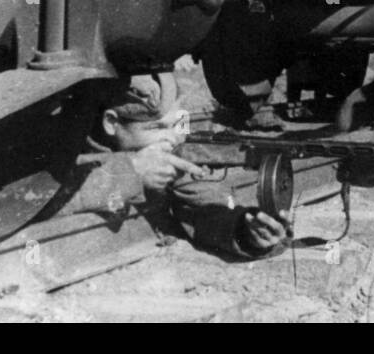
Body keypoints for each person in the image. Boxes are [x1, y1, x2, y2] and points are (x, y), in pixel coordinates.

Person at [73, 73, 290, 259]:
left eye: (177, 124)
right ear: (111, 122)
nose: (174, 138)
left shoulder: (165, 151)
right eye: (157, 128)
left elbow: (202, 199)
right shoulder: (70, 155)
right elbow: (49, 201)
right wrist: (131, 172)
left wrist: (245, 231)